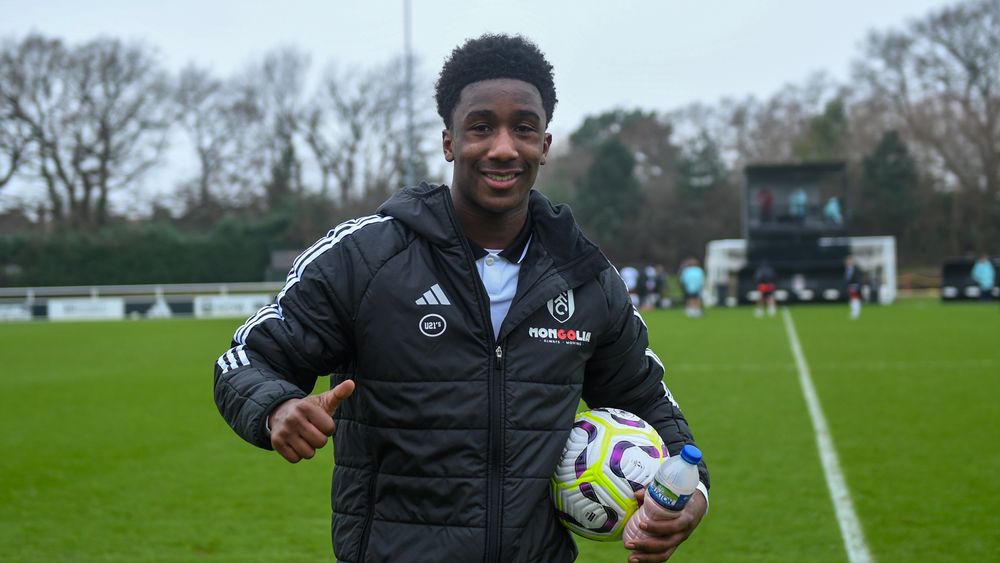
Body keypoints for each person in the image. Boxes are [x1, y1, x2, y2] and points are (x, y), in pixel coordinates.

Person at [212, 34, 708, 563]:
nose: (502, 147)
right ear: (449, 141)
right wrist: (276, 408)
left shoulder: (584, 276)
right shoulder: (365, 258)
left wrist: (691, 493)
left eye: (523, 127)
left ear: (544, 143)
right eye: (480, 127)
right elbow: (247, 360)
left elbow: (648, 400)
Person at [844, 255, 862, 319]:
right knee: (852, 300)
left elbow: (859, 278)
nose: (848, 262)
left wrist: (857, 286)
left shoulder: (856, 269)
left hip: (855, 287)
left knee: (855, 300)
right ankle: (853, 312)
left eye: (849, 260)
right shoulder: (847, 269)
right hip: (849, 287)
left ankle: (856, 313)